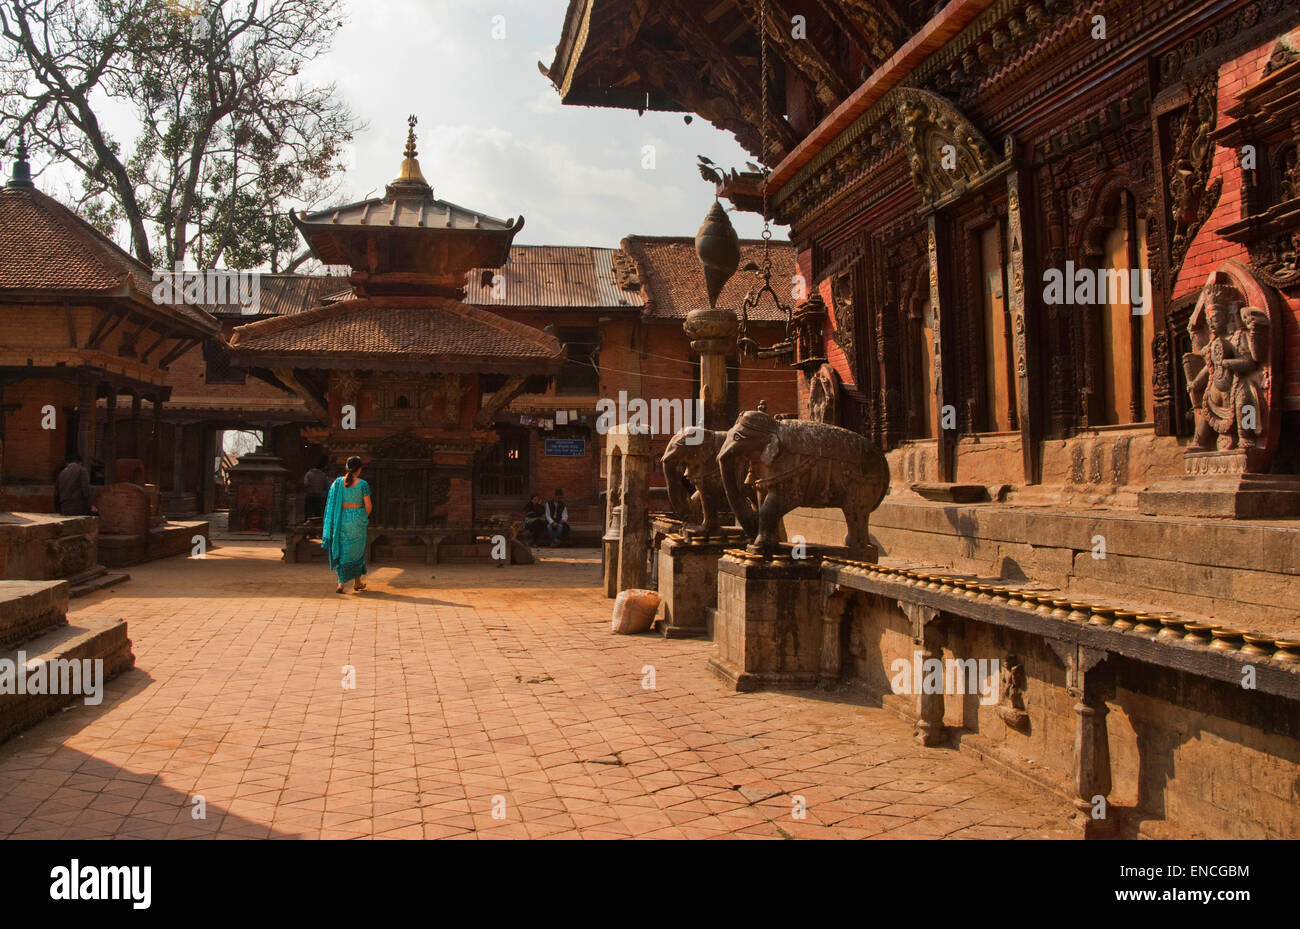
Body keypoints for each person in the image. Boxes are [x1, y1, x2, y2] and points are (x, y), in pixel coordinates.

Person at [322, 456, 371, 594]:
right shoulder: (363, 484)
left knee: (343, 550)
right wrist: (362, 518)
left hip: (341, 519)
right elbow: (368, 506)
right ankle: (353, 582)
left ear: (347, 467)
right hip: (357, 521)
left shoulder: (338, 483)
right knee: (357, 552)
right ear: (359, 469)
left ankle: (343, 582)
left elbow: (331, 503)